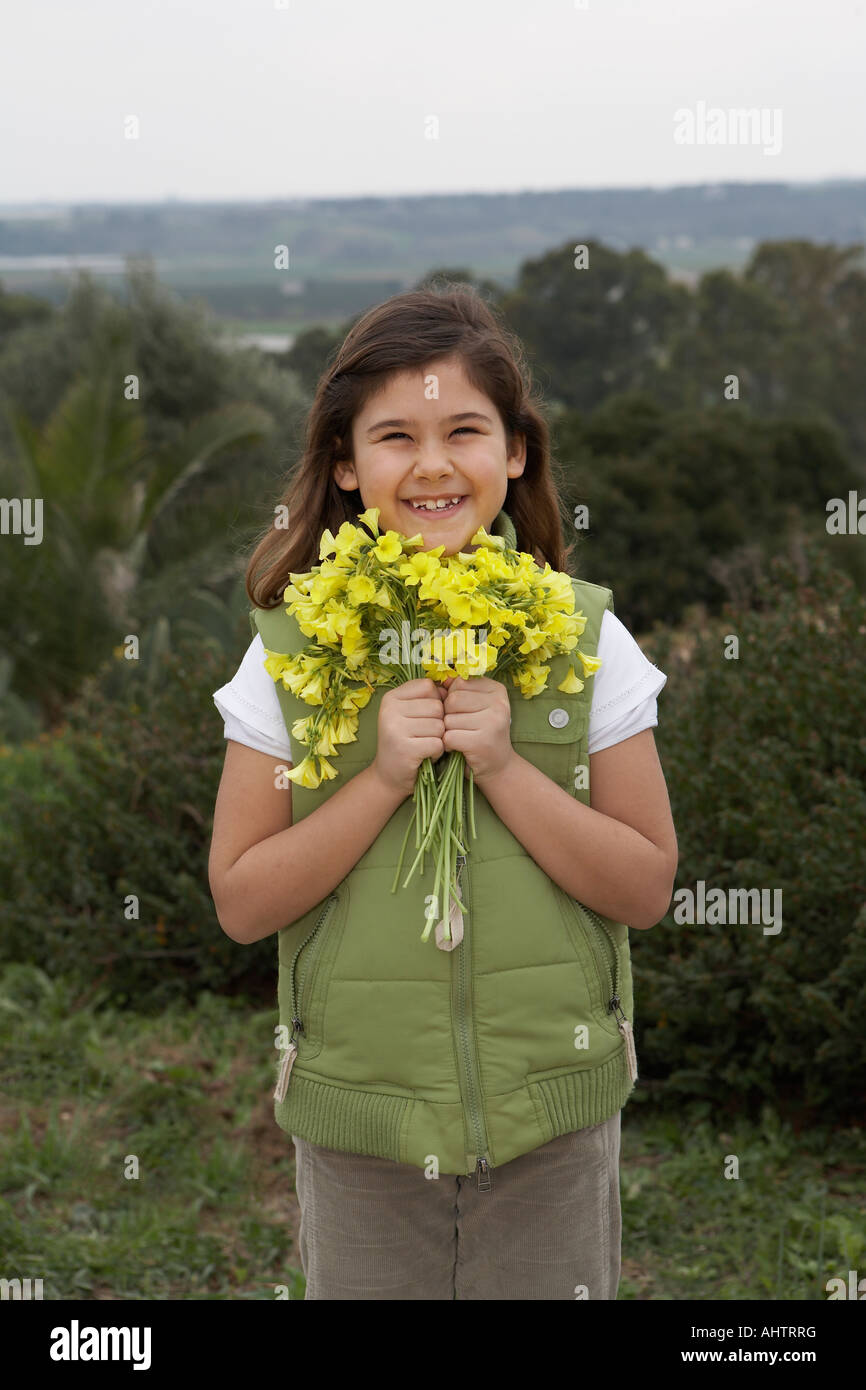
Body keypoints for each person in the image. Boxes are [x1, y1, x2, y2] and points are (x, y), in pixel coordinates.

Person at [208, 285, 678, 1300]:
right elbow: (242, 902)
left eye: (464, 429)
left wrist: (505, 767)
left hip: (550, 1122)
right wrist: (379, 777)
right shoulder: (287, 653)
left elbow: (643, 887)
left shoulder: (585, 639)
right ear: (344, 464)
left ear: (514, 451)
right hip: (359, 1127)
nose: (430, 464)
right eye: (392, 436)